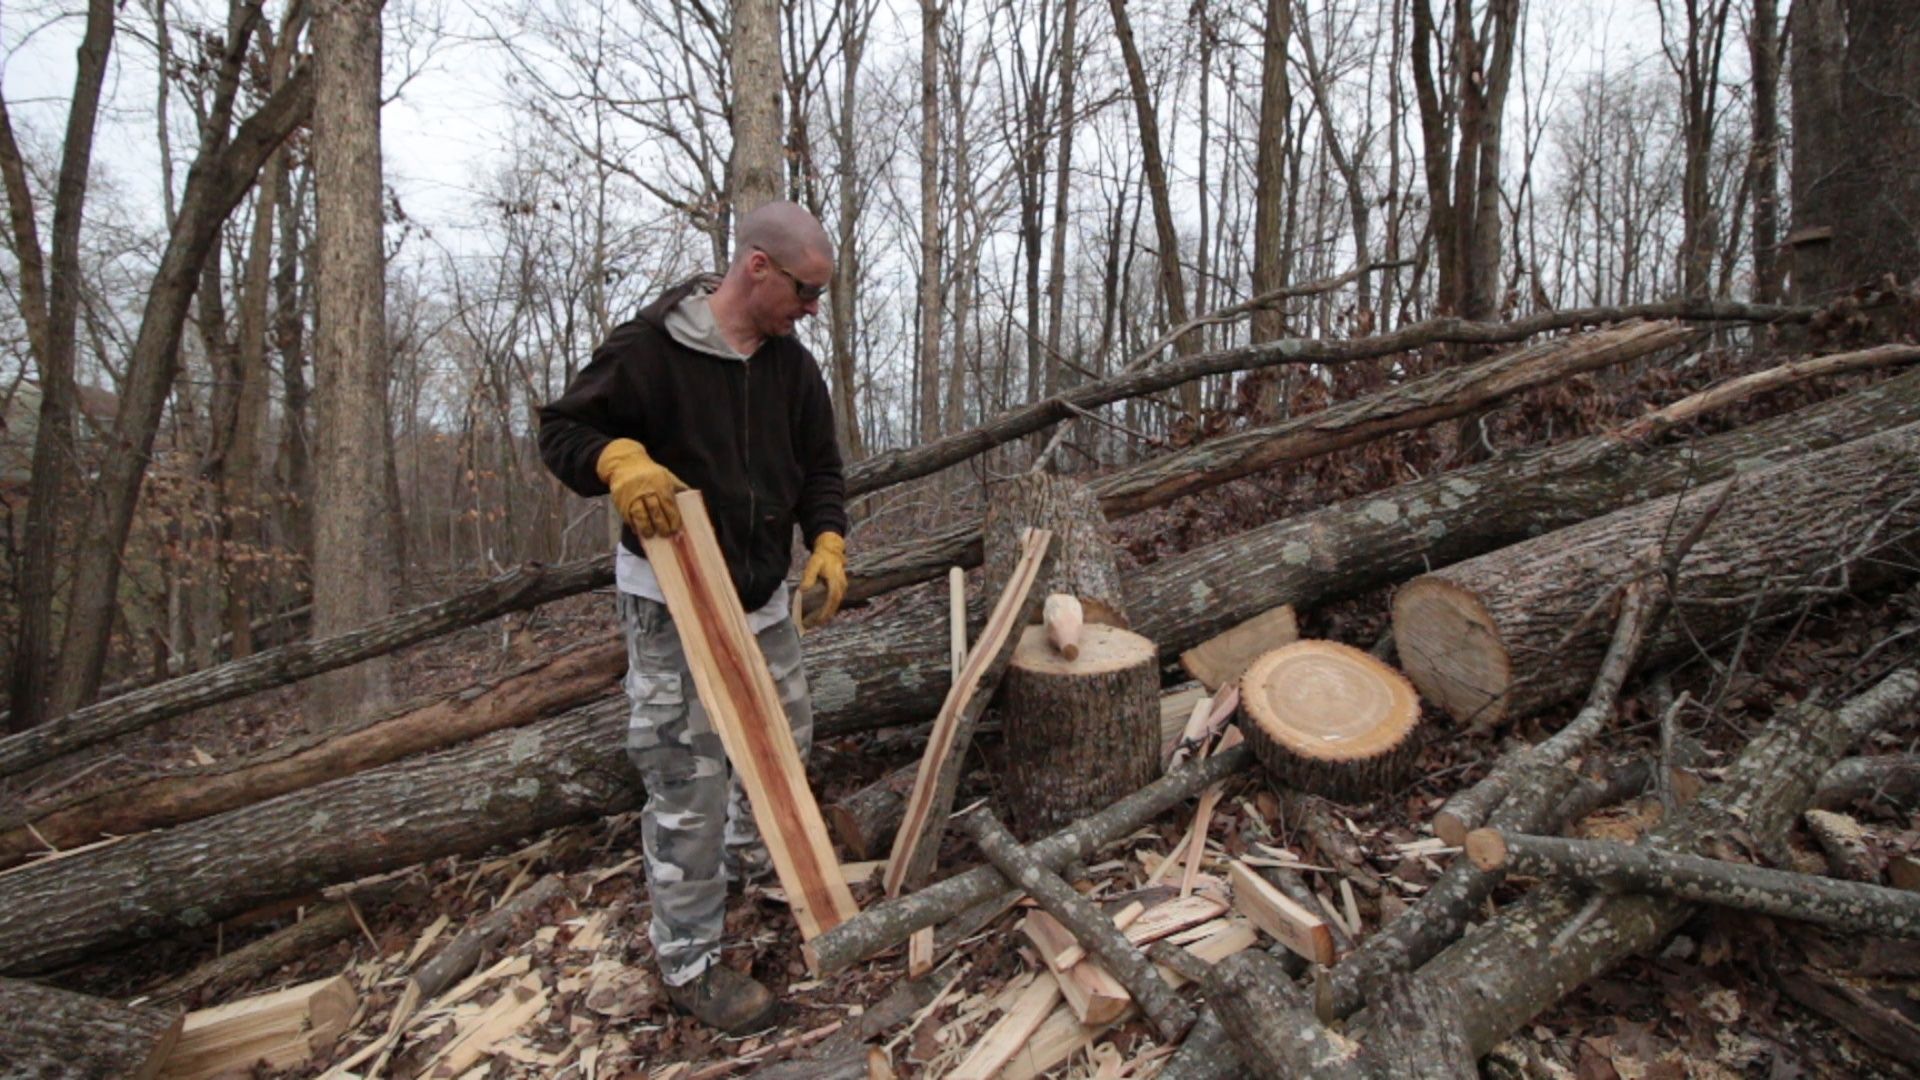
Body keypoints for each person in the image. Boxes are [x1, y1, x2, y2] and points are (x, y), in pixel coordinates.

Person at [536, 201, 850, 1035]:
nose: (812, 309)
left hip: (762, 599)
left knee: (785, 741)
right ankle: (689, 961)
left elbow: (820, 464)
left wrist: (826, 541)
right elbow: (562, 430)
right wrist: (617, 457)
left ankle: (752, 871)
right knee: (687, 781)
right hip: (672, 601)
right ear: (757, 267)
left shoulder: (792, 367)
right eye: (806, 290)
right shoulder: (650, 350)